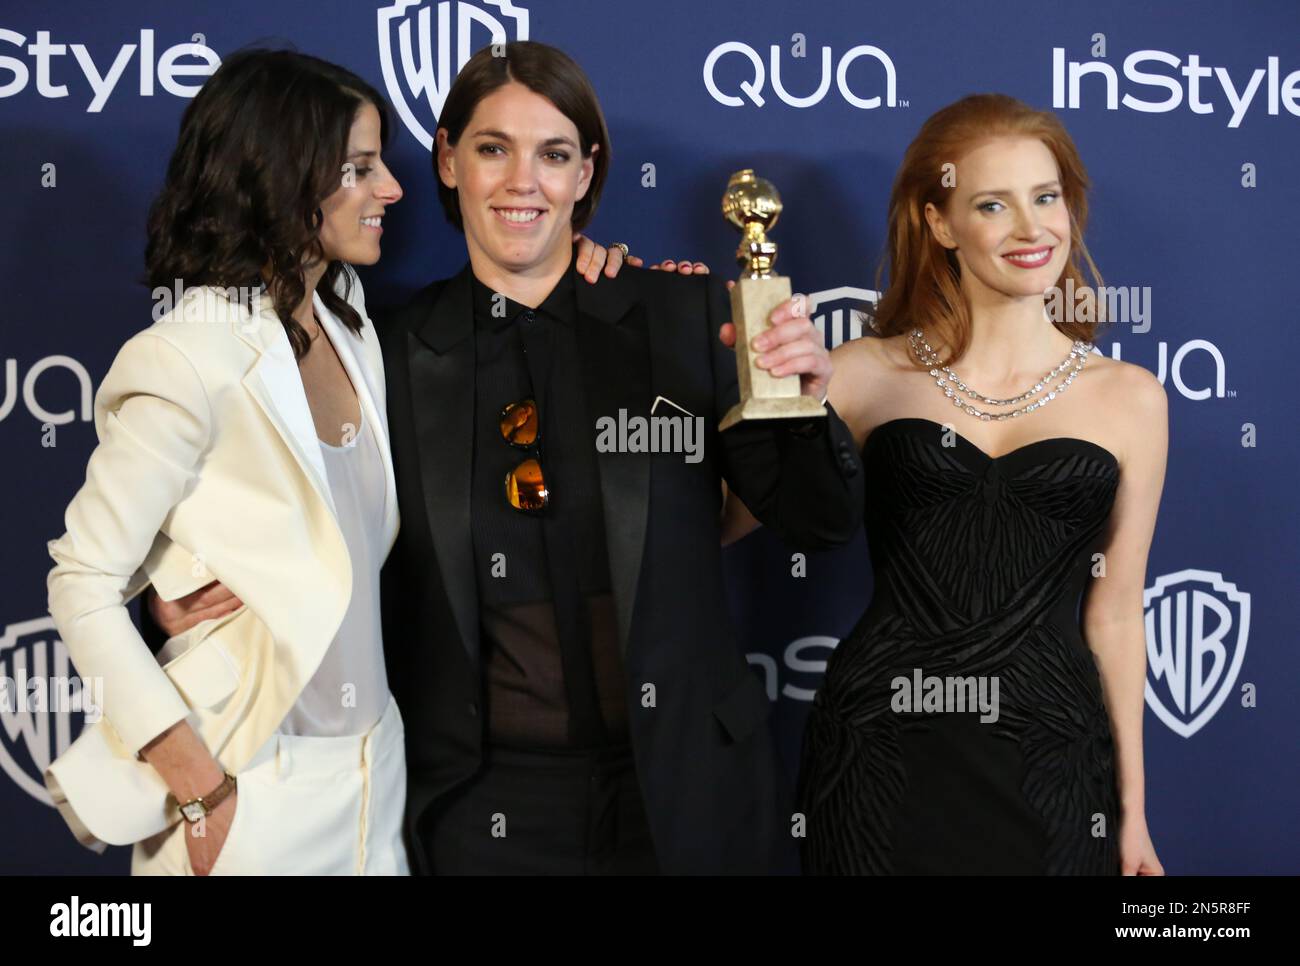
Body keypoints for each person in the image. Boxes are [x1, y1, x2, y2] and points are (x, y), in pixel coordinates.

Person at [43, 47, 630, 876]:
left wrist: (597, 265)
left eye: (381, 163)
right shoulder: (185, 359)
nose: (391, 189)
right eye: (358, 168)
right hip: (252, 778)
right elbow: (81, 582)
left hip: (378, 774)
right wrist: (197, 782)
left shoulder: (351, 320)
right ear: (277, 176)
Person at [378, 40, 865, 875]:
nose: (523, 182)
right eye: (493, 149)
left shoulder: (685, 314)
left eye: (554, 154)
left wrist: (805, 406)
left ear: (586, 173)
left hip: (685, 791)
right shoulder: (388, 353)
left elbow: (818, 521)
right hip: (482, 808)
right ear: (449, 161)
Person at [749, 94, 1166, 874]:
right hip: (880, 753)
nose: (1030, 228)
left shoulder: (1131, 397)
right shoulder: (860, 371)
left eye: (1046, 198)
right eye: (991, 204)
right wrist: (777, 404)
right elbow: (730, 518)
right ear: (940, 224)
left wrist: (1133, 814)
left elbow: (1115, 614)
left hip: (1051, 761)